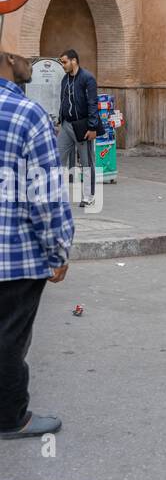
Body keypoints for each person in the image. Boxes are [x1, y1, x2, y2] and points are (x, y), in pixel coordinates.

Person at [0, 48, 73, 440]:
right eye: (23, 56)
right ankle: (11, 418)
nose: (31, 61)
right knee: (10, 337)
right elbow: (45, 194)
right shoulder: (26, 114)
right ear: (8, 60)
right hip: (14, 256)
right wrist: (58, 250)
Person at [56, 49, 98, 208]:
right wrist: (60, 121)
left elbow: (93, 104)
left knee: (87, 162)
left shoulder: (88, 79)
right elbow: (63, 101)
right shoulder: (64, 80)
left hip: (83, 126)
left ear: (74, 61)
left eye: (64, 62)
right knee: (57, 158)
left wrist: (92, 127)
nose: (62, 65)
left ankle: (89, 196)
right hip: (66, 125)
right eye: (61, 62)